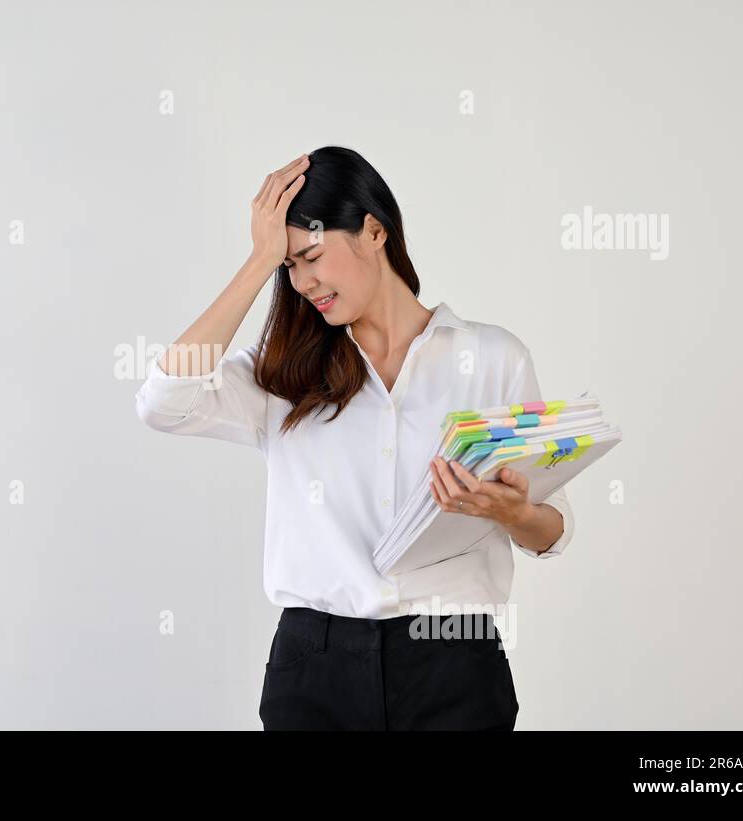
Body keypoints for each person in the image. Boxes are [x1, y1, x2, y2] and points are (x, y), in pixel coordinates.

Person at [133, 146, 574, 731]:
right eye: (288, 267)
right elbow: (163, 402)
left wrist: (515, 512)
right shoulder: (282, 373)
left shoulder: (492, 359)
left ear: (373, 231)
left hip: (453, 659)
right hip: (316, 665)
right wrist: (258, 260)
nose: (302, 281)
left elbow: (553, 529)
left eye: (310, 255)